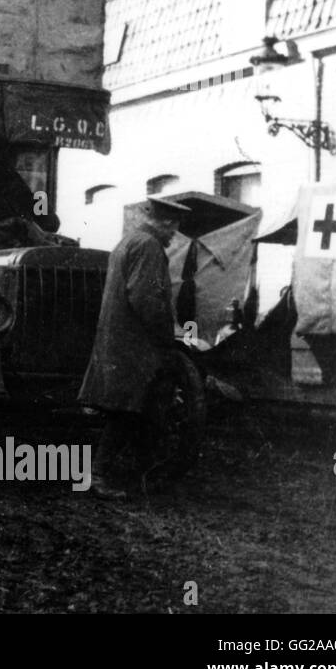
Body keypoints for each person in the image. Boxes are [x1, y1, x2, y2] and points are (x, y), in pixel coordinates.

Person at [79, 196, 191, 499]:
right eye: (173, 229)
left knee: (133, 409)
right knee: (129, 409)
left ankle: (138, 475)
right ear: (163, 223)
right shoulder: (149, 246)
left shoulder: (128, 241)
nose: (173, 236)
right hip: (135, 343)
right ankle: (100, 475)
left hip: (119, 338)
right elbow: (146, 298)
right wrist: (165, 337)